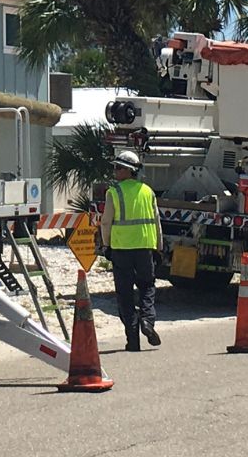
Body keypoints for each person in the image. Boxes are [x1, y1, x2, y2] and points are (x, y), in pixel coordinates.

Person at [99, 149, 160, 352]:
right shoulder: (148, 191)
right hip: (144, 248)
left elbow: (106, 222)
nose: (115, 171)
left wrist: (106, 245)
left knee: (124, 294)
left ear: (130, 171)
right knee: (147, 287)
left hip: (122, 249)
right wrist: (158, 247)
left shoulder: (113, 192)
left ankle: (132, 340)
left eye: (118, 168)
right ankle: (148, 321)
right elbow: (156, 222)